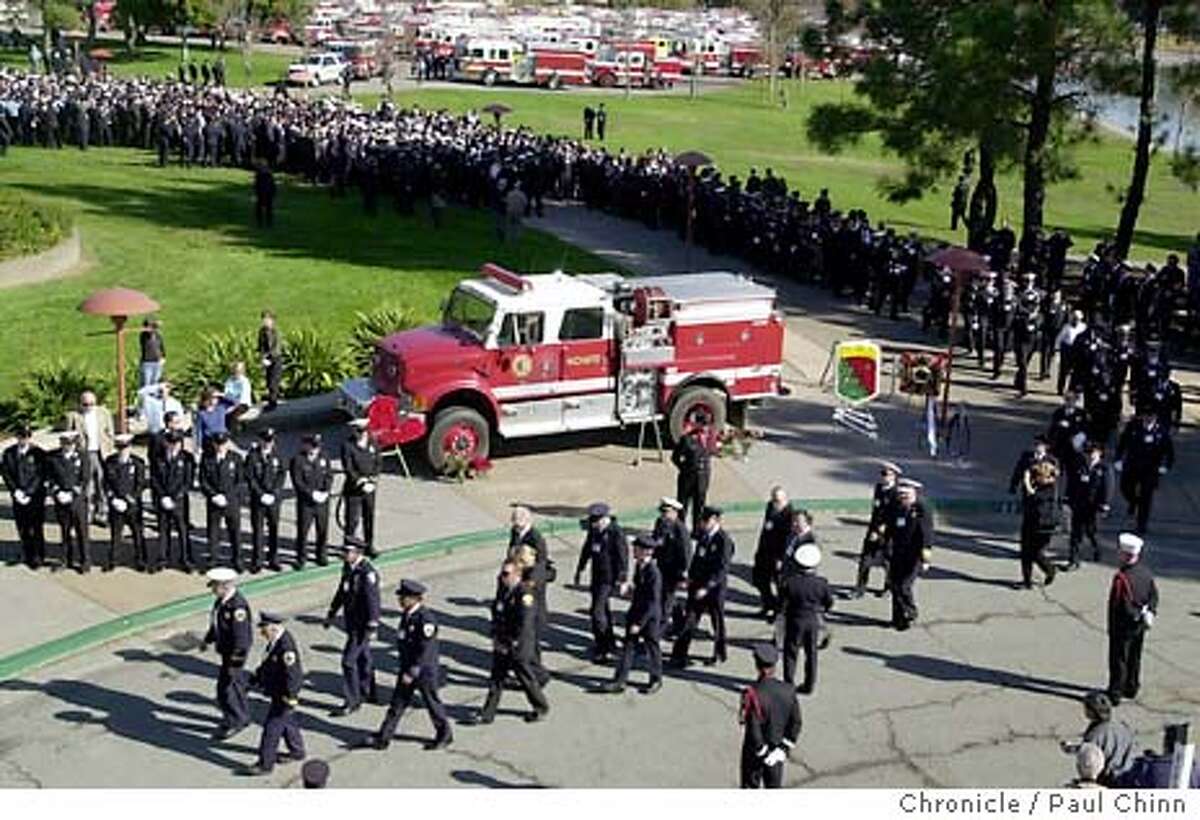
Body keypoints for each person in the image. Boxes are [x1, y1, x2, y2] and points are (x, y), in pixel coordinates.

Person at [368, 580, 453, 751]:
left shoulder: (425, 619)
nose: (400, 600)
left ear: (415, 598)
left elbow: (426, 650)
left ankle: (445, 734)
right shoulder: (408, 615)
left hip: (422, 671)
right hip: (407, 669)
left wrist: (413, 671)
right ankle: (384, 737)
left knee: (432, 703)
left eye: (404, 597)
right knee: (397, 704)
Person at [470, 560, 550, 723]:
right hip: (502, 643)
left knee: (525, 678)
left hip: (517, 645)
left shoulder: (524, 594)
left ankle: (541, 706)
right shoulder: (505, 592)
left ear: (517, 575)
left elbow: (525, 623)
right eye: (502, 573)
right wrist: (495, 636)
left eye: (506, 574)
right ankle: (487, 713)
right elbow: (497, 616)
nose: (502, 577)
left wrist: (513, 642)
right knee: (496, 679)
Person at [242, 612, 305, 776]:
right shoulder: (275, 642)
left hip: (284, 695)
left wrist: (290, 697)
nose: (261, 633)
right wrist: (255, 680)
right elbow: (268, 664)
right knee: (288, 723)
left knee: (272, 728)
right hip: (279, 692)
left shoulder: (286, 648)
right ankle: (297, 751)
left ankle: (265, 764)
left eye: (264, 629)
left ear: (274, 628)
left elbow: (294, 676)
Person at [600, 534, 664, 695]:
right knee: (628, 648)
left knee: (652, 648)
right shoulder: (639, 566)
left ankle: (656, 679)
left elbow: (652, 602)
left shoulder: (653, 573)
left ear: (646, 552)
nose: (633, 551)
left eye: (636, 549)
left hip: (648, 618)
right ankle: (620, 681)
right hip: (635, 613)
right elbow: (640, 592)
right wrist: (629, 591)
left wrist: (639, 623)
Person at [325, 539, 381, 716]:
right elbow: (343, 591)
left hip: (362, 625)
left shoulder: (367, 573)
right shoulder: (349, 568)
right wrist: (332, 612)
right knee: (364, 658)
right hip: (352, 621)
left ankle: (352, 701)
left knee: (348, 662)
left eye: (347, 552)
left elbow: (373, 600)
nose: (344, 555)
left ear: (358, 553)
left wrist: (373, 625)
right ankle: (368, 691)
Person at [672, 506, 733, 668]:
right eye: (701, 521)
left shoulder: (723, 541)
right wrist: (689, 579)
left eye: (705, 521)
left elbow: (722, 569)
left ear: (715, 521)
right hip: (697, 586)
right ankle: (679, 654)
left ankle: (719, 653)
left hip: (714, 589)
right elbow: (697, 560)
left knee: (717, 623)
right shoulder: (704, 537)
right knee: (689, 620)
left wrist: (707, 587)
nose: (702, 524)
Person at [739, 643, 802, 789]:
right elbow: (796, 722)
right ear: (775, 666)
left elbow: (753, 729)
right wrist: (783, 749)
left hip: (755, 753)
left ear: (757, 665)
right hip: (777, 748)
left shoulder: (752, 694)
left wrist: (763, 751)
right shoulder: (789, 690)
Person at [201, 567, 253, 740]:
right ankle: (242, 716)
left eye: (214, 586)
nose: (212, 590)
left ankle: (234, 721)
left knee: (226, 689)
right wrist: (208, 639)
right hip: (226, 651)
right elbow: (216, 623)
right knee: (236, 687)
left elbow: (242, 640)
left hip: (234, 655)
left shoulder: (237, 607)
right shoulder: (222, 601)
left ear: (224, 585)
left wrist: (234, 664)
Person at [1107, 533, 1158, 706]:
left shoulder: (1121, 578)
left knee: (1119, 659)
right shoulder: (1145, 573)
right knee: (1135, 657)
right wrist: (1149, 612)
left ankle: (1115, 692)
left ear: (1125, 555)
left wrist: (1114, 625)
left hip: (1122, 627)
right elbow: (1153, 595)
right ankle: (1132, 686)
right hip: (1140, 625)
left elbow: (1119, 604)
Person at [573, 502, 628, 663]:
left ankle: (605, 648)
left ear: (605, 518)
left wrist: (622, 579)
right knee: (603, 611)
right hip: (596, 576)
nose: (594, 523)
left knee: (597, 613)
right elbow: (587, 549)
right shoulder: (595, 531)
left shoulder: (616, 533)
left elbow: (622, 557)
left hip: (608, 579)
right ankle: (606, 642)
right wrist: (580, 569)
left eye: (596, 520)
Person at [777, 543, 833, 695]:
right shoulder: (821, 583)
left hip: (794, 620)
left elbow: (781, 603)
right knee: (811, 653)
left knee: (790, 652)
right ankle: (809, 685)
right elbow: (829, 603)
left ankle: (788, 682)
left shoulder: (790, 582)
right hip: (813, 620)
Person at [1115, 407, 1174, 535]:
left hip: (1150, 469)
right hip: (1132, 465)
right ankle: (1134, 502)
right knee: (1125, 488)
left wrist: (1166, 466)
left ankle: (1141, 525)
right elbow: (1122, 443)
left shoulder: (1161, 432)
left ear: (1155, 417)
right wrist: (1118, 459)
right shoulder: (1134, 427)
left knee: (1146, 498)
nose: (1148, 418)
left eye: (1151, 416)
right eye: (1146, 416)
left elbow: (1169, 451)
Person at [508, 504, 550, 674]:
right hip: (518, 579)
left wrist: (531, 582)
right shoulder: (515, 533)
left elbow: (541, 564)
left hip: (531, 585)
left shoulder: (536, 538)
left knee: (531, 629)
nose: (516, 527)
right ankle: (528, 664)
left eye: (519, 524)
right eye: (515, 523)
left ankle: (536, 669)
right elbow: (511, 551)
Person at [1060, 691, 1135, 785]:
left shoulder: (1095, 734)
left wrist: (1070, 749)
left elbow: (1088, 753)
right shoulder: (1123, 727)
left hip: (1108, 778)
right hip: (1127, 774)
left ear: (1092, 711)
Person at [887, 479, 931, 631]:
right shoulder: (897, 506)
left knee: (904, 586)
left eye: (906, 494)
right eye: (900, 494)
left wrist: (925, 558)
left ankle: (911, 612)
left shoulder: (922, 508)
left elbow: (926, 534)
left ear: (914, 493)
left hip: (914, 555)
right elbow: (890, 528)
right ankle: (898, 619)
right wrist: (885, 547)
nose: (902, 497)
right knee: (894, 586)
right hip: (897, 553)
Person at [65, 390, 114, 525]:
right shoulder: (73, 416)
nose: (89, 407)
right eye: (86, 404)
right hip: (84, 453)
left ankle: (103, 512)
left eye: (92, 404)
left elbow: (110, 432)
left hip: (101, 453)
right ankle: (88, 512)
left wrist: (109, 447)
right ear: (80, 404)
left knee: (102, 483)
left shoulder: (103, 413)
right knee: (87, 485)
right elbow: (69, 437)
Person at [2, 425, 47, 569]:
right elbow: (6, 474)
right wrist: (15, 491)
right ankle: (28, 555)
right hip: (18, 496)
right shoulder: (9, 453)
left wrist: (29, 492)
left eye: (26, 436)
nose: (24, 439)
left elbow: (40, 475)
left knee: (36, 527)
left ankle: (39, 556)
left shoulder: (38, 453)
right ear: (17, 437)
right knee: (23, 527)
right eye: (21, 436)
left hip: (35, 497)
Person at [853, 461, 900, 598]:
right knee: (865, 560)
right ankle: (860, 588)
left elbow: (894, 515)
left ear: (894, 476)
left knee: (888, 563)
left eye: (887, 474)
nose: (883, 477)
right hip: (873, 530)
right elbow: (876, 510)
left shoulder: (896, 492)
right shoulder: (879, 488)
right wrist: (873, 529)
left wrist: (880, 530)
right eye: (882, 474)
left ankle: (888, 588)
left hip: (888, 534)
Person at [199, 432, 245, 572]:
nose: (220, 447)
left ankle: (237, 559)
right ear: (214, 444)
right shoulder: (207, 458)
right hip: (214, 502)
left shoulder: (235, 458)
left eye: (223, 443)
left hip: (231, 501)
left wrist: (228, 497)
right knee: (213, 532)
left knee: (235, 532)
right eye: (217, 444)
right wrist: (213, 495)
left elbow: (240, 481)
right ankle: (213, 559)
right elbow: (203, 480)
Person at [101, 433, 147, 572]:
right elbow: (106, 483)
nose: (122, 451)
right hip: (116, 504)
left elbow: (140, 484)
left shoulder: (138, 462)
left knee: (137, 534)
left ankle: (141, 560)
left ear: (130, 447)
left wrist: (131, 500)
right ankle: (113, 560)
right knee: (116, 534)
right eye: (120, 448)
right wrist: (112, 498)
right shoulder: (110, 461)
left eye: (125, 448)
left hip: (132, 504)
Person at [152, 431, 195, 572]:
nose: (174, 446)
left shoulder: (187, 458)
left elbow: (188, 481)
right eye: (171, 443)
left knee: (183, 530)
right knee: (164, 530)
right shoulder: (159, 458)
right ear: (166, 443)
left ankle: (185, 559)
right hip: (163, 499)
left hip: (179, 500)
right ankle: (163, 559)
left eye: (177, 443)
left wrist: (175, 497)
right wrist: (162, 496)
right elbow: (154, 478)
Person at [48, 432, 90, 573]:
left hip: (77, 501)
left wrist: (72, 494)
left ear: (75, 444)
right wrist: (56, 492)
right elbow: (50, 478)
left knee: (82, 533)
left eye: (71, 444)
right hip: (61, 499)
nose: (68, 447)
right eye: (65, 444)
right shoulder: (53, 458)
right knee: (65, 532)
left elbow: (84, 479)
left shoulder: (83, 457)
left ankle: (85, 562)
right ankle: (66, 560)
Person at [1065, 441, 1111, 568]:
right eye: (1088, 453)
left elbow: (1107, 487)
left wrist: (1105, 503)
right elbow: (1072, 482)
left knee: (1091, 532)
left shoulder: (1104, 469)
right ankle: (1073, 559)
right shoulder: (1080, 466)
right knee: (1075, 532)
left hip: (1094, 506)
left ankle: (1097, 549)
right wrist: (1068, 497)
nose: (1090, 455)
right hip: (1079, 504)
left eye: (1093, 453)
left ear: (1099, 454)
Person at [246, 428, 286, 572]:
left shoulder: (278, 455)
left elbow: (282, 474)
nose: (268, 443)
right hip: (258, 499)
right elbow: (250, 477)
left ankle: (273, 559)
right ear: (260, 440)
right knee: (258, 530)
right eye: (266, 440)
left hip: (273, 499)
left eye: (270, 441)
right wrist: (260, 494)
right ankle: (257, 560)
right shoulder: (253, 456)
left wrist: (274, 493)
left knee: (274, 529)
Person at [291, 434, 333, 568]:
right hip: (306, 503)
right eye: (313, 446)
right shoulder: (298, 460)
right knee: (303, 531)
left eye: (317, 447)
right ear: (305, 445)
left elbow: (329, 475)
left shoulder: (324, 457)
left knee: (322, 530)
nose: (315, 449)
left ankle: (321, 555)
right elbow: (298, 482)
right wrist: (311, 493)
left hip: (322, 501)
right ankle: (301, 557)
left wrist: (326, 491)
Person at [752, 486, 793, 620]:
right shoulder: (770, 507)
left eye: (778, 501)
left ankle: (779, 611)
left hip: (778, 556)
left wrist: (781, 559)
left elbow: (787, 541)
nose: (776, 503)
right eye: (774, 500)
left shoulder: (790, 516)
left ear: (786, 500)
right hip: (764, 551)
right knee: (759, 580)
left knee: (780, 586)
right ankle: (768, 604)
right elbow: (766, 529)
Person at [340, 419, 381, 556]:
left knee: (369, 517)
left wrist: (373, 478)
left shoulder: (373, 443)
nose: (359, 434)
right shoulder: (347, 445)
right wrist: (359, 481)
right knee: (352, 520)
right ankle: (349, 547)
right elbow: (348, 467)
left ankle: (369, 545)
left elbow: (378, 462)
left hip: (369, 487)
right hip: (354, 488)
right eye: (357, 431)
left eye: (362, 431)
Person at [651, 497, 690, 637]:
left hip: (674, 571)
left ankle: (656, 635)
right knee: (667, 599)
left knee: (665, 603)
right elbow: (656, 541)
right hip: (661, 567)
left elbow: (686, 552)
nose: (663, 515)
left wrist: (684, 573)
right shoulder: (660, 523)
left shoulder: (680, 529)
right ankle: (680, 624)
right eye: (662, 512)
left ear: (675, 512)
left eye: (666, 512)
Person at [1018, 459, 1059, 589]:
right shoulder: (1035, 483)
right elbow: (1026, 496)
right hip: (1029, 521)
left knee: (1035, 553)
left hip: (1042, 526)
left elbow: (1036, 498)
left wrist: (1027, 483)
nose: (1035, 476)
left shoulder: (1050, 487)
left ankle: (1050, 569)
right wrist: (1027, 482)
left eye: (1038, 474)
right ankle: (1027, 581)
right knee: (1025, 552)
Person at [671, 425, 711, 535]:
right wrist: (684, 468)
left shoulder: (709, 439)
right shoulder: (687, 440)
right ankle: (681, 530)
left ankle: (697, 530)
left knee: (699, 506)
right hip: (687, 478)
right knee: (683, 505)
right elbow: (675, 457)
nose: (706, 432)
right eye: (703, 430)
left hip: (702, 479)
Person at [257, 311, 282, 411]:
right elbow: (261, 346)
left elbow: (277, 348)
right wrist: (262, 357)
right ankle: (272, 399)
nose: (264, 322)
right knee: (268, 380)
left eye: (267, 320)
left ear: (272, 321)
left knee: (273, 381)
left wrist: (269, 357)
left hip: (275, 359)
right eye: (263, 319)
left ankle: (273, 403)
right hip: (267, 359)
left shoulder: (275, 332)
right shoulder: (262, 331)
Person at [222, 362, 253, 431]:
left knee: (233, 414)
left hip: (243, 404)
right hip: (230, 401)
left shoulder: (244, 382)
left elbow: (243, 398)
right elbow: (226, 392)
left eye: (238, 372)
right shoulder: (229, 380)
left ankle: (231, 430)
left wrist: (233, 406)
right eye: (234, 372)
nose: (235, 374)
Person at [138, 318, 166, 388]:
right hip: (147, 363)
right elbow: (146, 330)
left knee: (155, 383)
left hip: (157, 362)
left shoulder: (158, 335)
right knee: (147, 384)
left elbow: (161, 346)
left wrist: (163, 357)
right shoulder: (144, 336)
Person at [254, 160, 276, 228]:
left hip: (266, 192)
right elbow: (256, 185)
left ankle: (267, 222)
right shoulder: (260, 175)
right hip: (262, 192)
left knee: (267, 208)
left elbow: (272, 185)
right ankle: (261, 222)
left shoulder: (268, 175)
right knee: (261, 207)